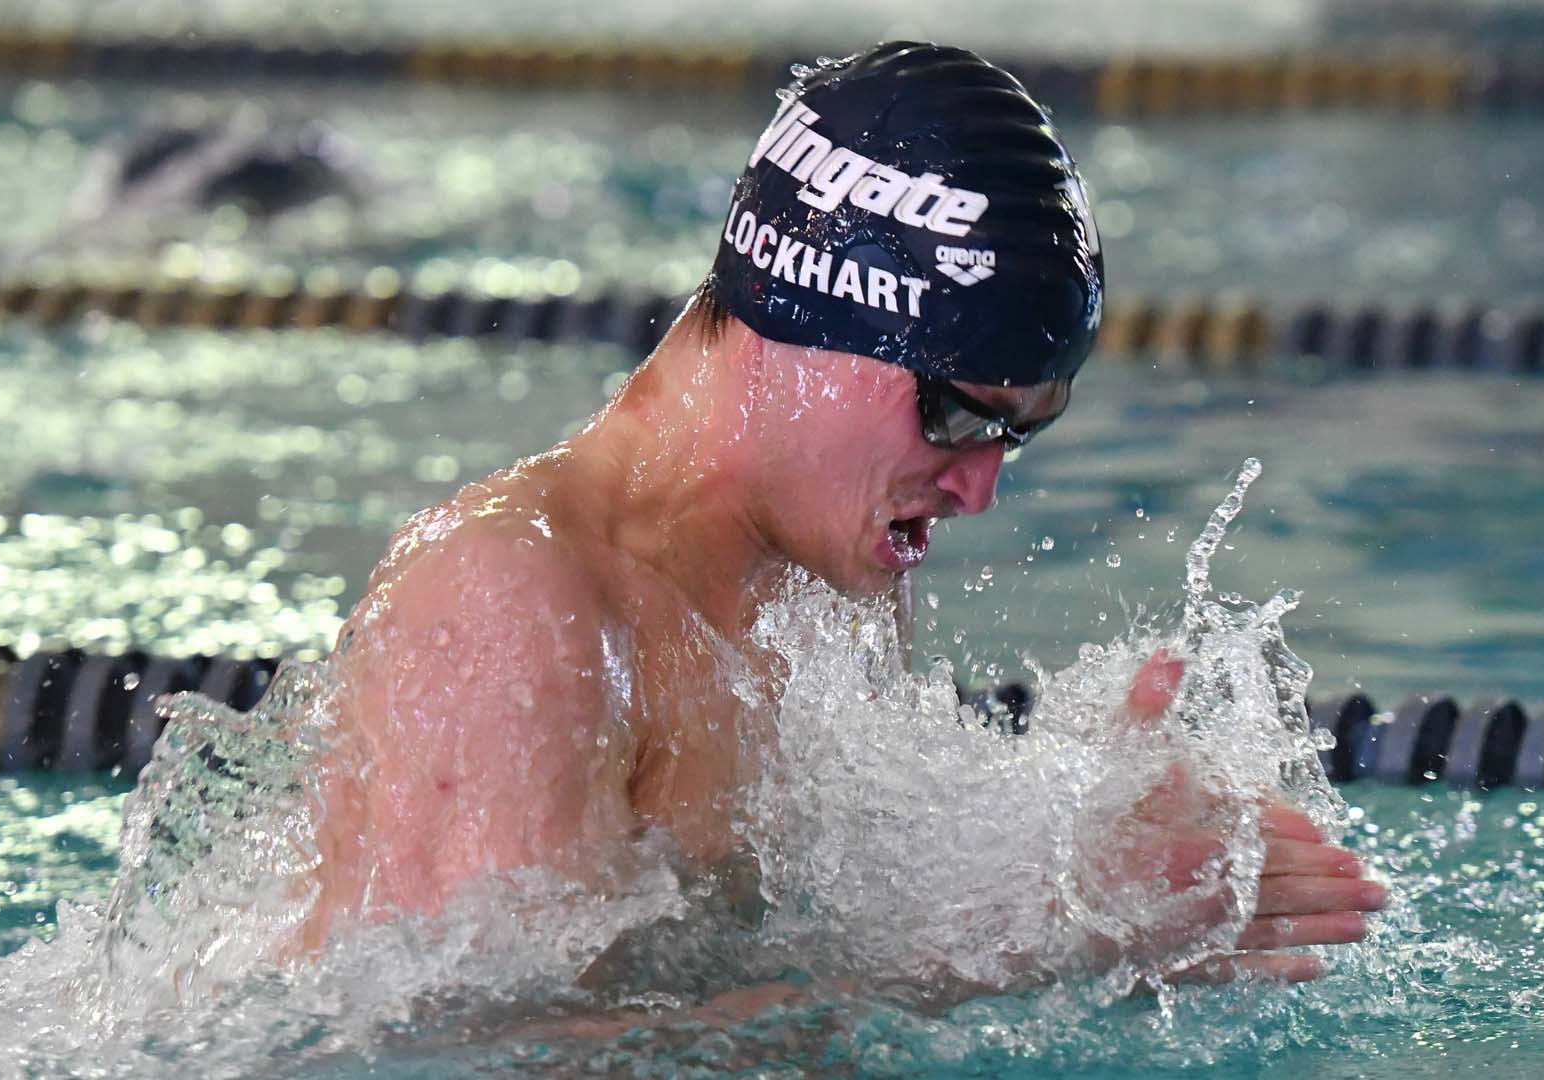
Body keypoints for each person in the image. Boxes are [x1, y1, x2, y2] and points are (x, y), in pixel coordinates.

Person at [300, 41, 1383, 990]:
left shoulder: (825, 582)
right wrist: (1041, 938)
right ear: (815, 319)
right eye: (958, 416)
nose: (979, 489)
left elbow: (806, 957)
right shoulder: (511, 605)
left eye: (1017, 435)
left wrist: (1098, 869)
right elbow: (481, 1050)